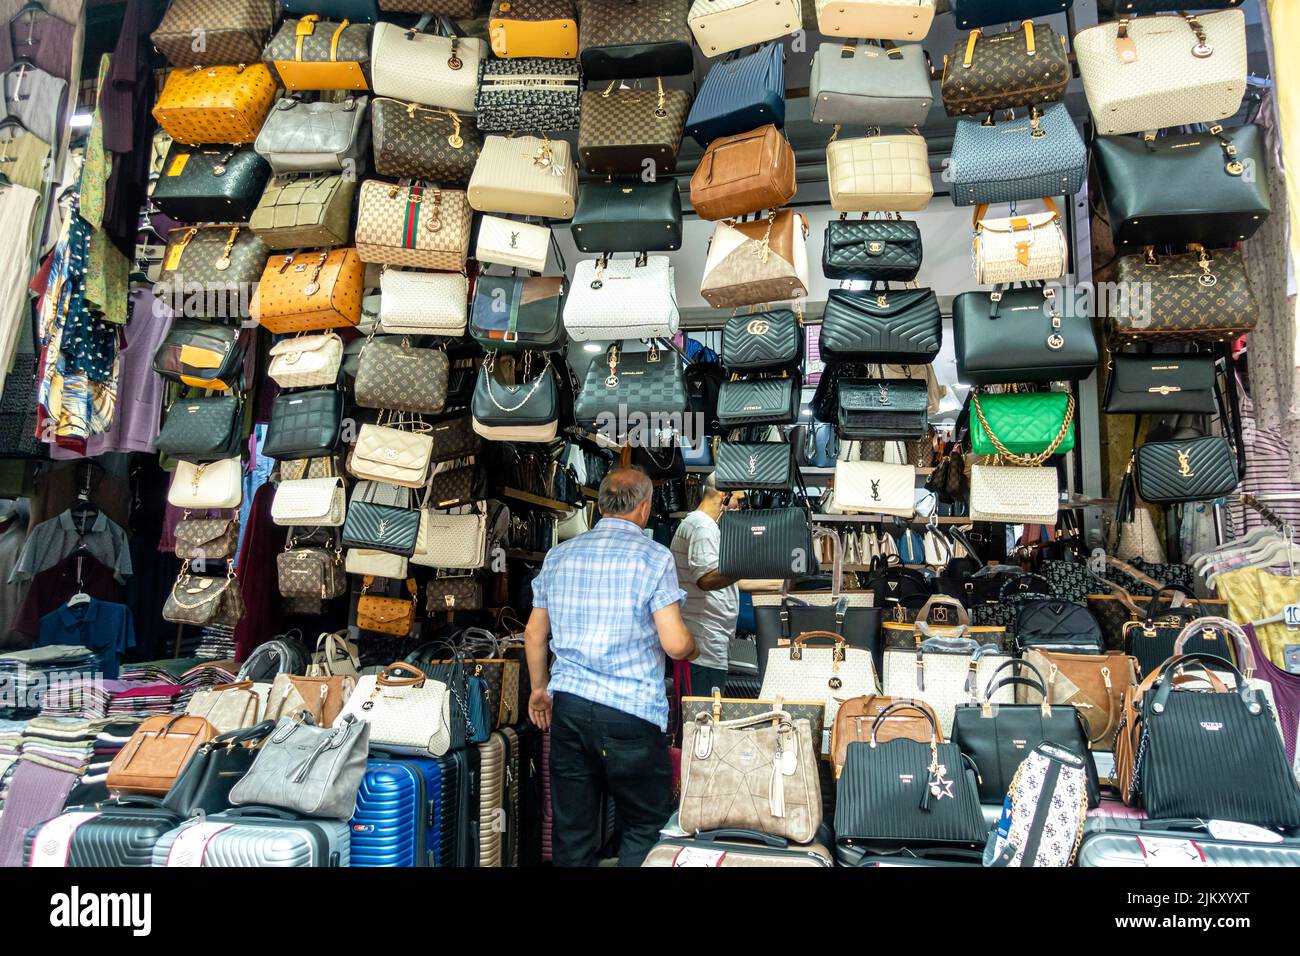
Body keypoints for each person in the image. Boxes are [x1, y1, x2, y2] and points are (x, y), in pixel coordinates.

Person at [523, 466, 697, 867]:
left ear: (599, 505)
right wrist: (693, 646)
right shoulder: (654, 558)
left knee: (572, 830)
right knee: (644, 825)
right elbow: (674, 643)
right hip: (630, 713)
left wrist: (539, 689)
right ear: (644, 509)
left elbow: (534, 634)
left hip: (568, 710)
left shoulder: (560, 555)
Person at [670, 473, 739, 697]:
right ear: (724, 495)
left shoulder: (698, 524)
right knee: (704, 721)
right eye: (740, 500)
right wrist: (745, 564)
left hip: (707, 642)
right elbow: (706, 579)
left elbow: (725, 578)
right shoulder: (703, 528)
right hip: (704, 644)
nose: (740, 508)